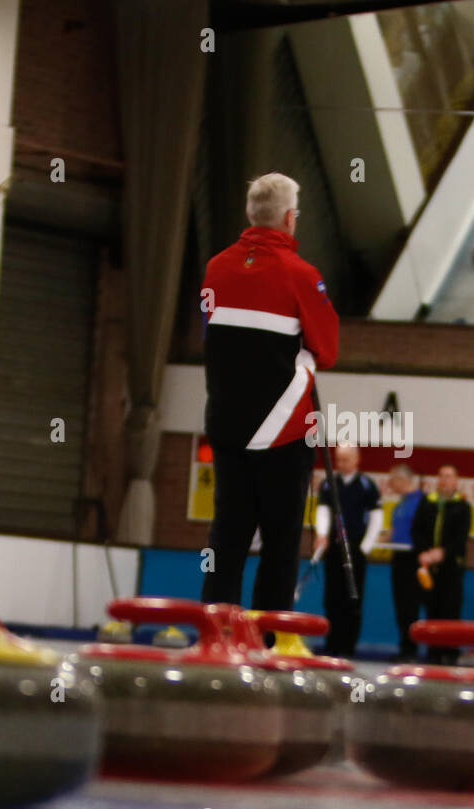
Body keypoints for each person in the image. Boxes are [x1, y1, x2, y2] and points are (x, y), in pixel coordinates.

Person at [200, 172, 339, 613]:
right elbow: (329, 349)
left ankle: (215, 633)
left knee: (227, 536)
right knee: (279, 542)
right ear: (289, 218)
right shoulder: (302, 275)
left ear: (249, 213)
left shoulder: (216, 267)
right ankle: (268, 638)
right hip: (283, 430)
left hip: (226, 424)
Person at [314, 444, 383, 657]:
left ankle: (348, 646)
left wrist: (365, 547)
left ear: (356, 459)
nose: (342, 464)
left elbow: (376, 518)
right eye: (339, 459)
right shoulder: (328, 484)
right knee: (332, 597)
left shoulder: (367, 485)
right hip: (334, 548)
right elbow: (323, 511)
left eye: (346, 459)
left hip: (355, 549)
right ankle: (332, 643)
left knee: (352, 598)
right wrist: (322, 535)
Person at [412, 465, 472, 665]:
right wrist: (424, 552)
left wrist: (443, 553)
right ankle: (433, 651)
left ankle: (449, 652)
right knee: (432, 609)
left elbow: (461, 538)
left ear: (456, 481)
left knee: (450, 610)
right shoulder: (427, 503)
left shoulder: (463, 507)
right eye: (442, 476)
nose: (445, 480)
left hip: (451, 567)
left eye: (449, 477)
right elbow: (416, 530)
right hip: (429, 565)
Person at [385, 463, 425, 662]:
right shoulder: (398, 506)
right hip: (398, 558)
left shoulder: (422, 502)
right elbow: (394, 532)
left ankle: (412, 649)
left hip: (413, 559)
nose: (390, 485)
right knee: (401, 605)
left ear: (403, 480)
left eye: (392, 481)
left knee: (411, 606)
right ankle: (404, 647)